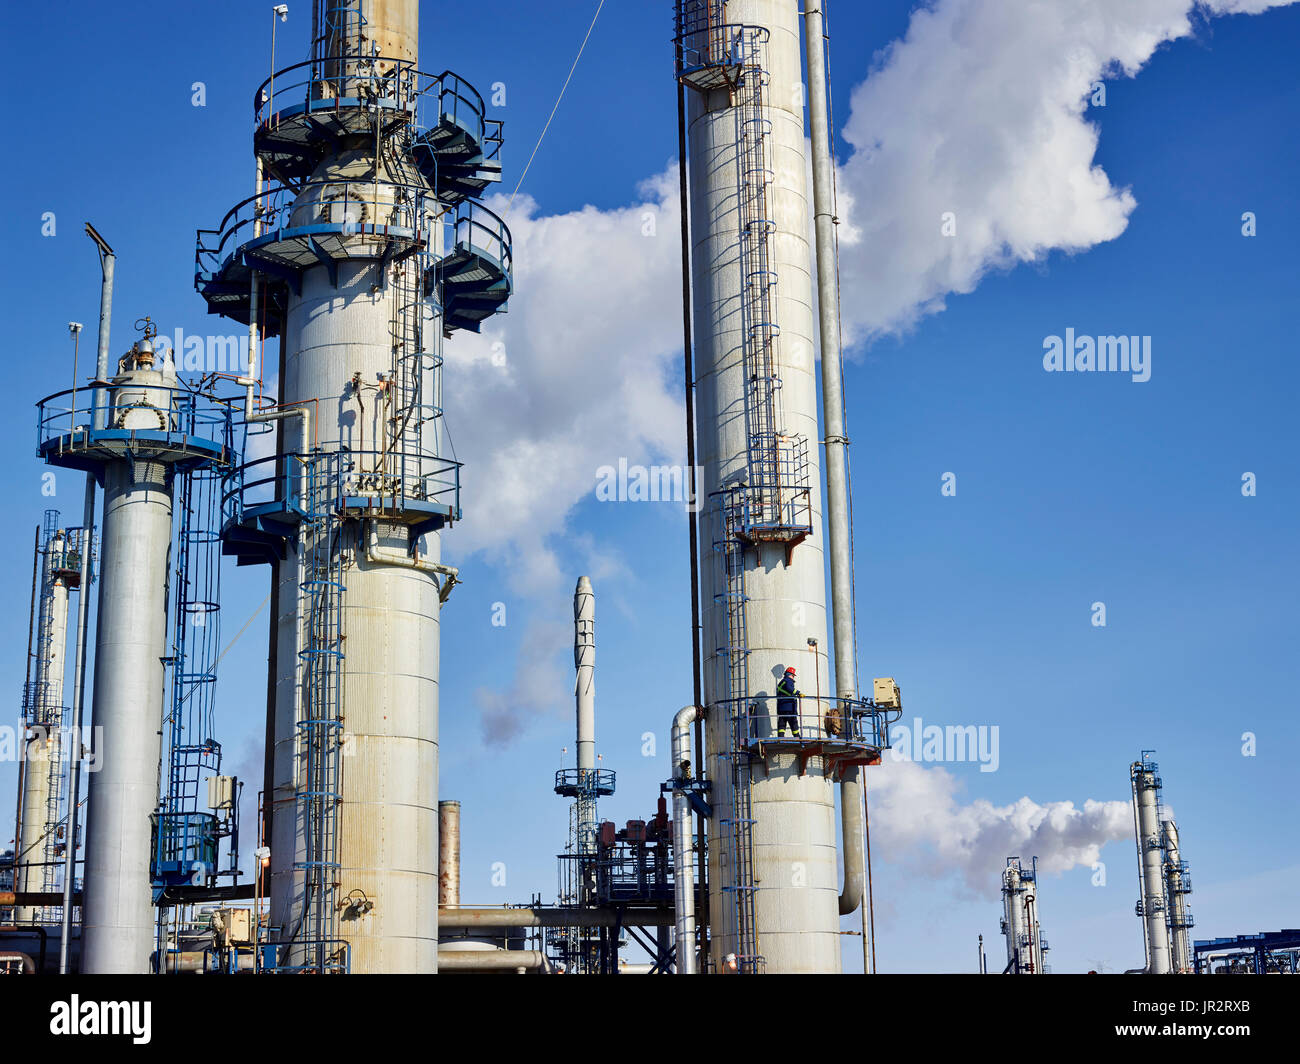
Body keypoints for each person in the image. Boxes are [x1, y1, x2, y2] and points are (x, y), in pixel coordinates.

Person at [775, 666, 801, 738]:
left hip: (781, 707)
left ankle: (780, 737)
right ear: (790, 675)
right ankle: (797, 737)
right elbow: (790, 689)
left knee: (782, 723)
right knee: (793, 723)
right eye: (793, 676)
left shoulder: (781, 683)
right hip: (789, 707)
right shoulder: (788, 680)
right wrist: (798, 693)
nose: (793, 677)